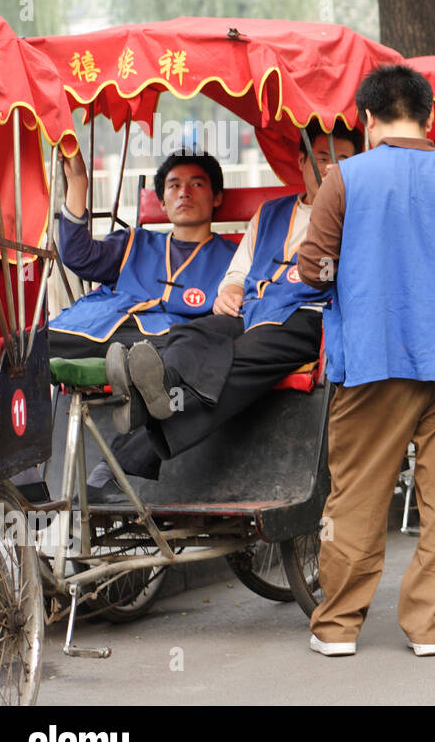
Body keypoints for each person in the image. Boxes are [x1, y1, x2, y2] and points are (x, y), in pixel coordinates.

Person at [297, 64, 435, 658]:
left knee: (357, 496)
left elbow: (314, 271)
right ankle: (429, 630)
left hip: (372, 360)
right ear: (429, 117)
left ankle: (338, 627)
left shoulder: (344, 181)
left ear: (365, 119)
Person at [95, 120, 361, 504]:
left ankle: (129, 449)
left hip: (308, 316)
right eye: (321, 158)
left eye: (343, 161)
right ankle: (161, 385)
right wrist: (232, 289)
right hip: (252, 311)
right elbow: (238, 272)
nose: (329, 168)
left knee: (233, 359)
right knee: (192, 332)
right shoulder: (270, 214)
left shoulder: (353, 213)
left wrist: (339, 203)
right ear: (302, 161)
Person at [48, 149, 235, 359]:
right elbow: (78, 256)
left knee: (187, 350)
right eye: (174, 186)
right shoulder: (133, 242)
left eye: (197, 184)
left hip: (168, 343)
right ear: (162, 202)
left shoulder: (234, 260)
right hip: (98, 326)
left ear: (217, 197)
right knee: (25, 347)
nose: (184, 192)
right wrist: (78, 180)